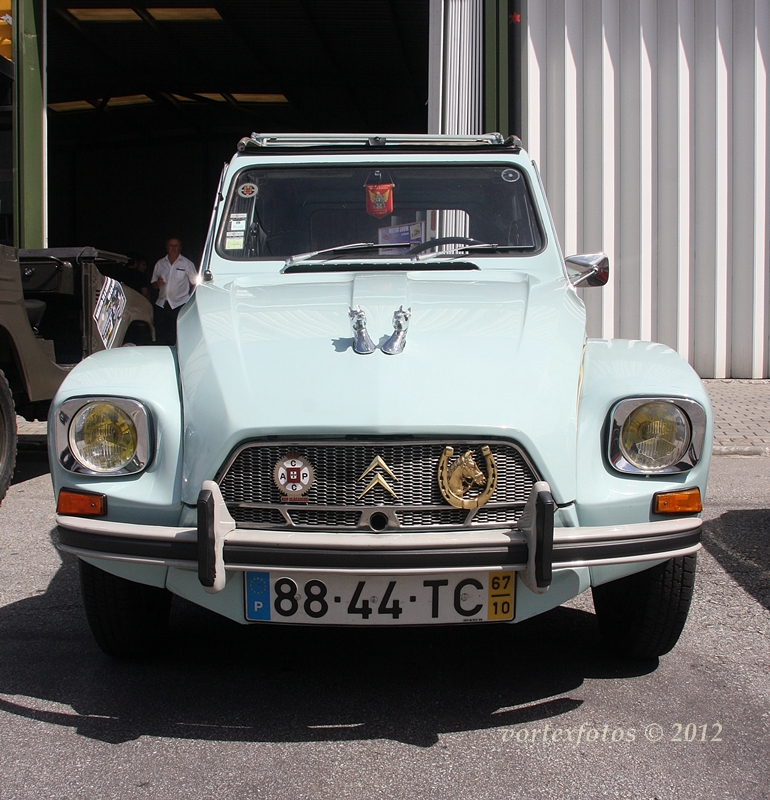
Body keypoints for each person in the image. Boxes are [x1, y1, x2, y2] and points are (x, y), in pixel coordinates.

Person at [150, 237, 197, 345]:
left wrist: (189, 299)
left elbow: (195, 283)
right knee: (160, 335)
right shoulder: (160, 264)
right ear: (167, 248)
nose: (173, 248)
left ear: (180, 248)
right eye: (171, 245)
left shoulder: (186, 263)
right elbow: (153, 285)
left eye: (176, 245)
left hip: (180, 304)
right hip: (162, 304)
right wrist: (158, 283)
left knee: (178, 335)